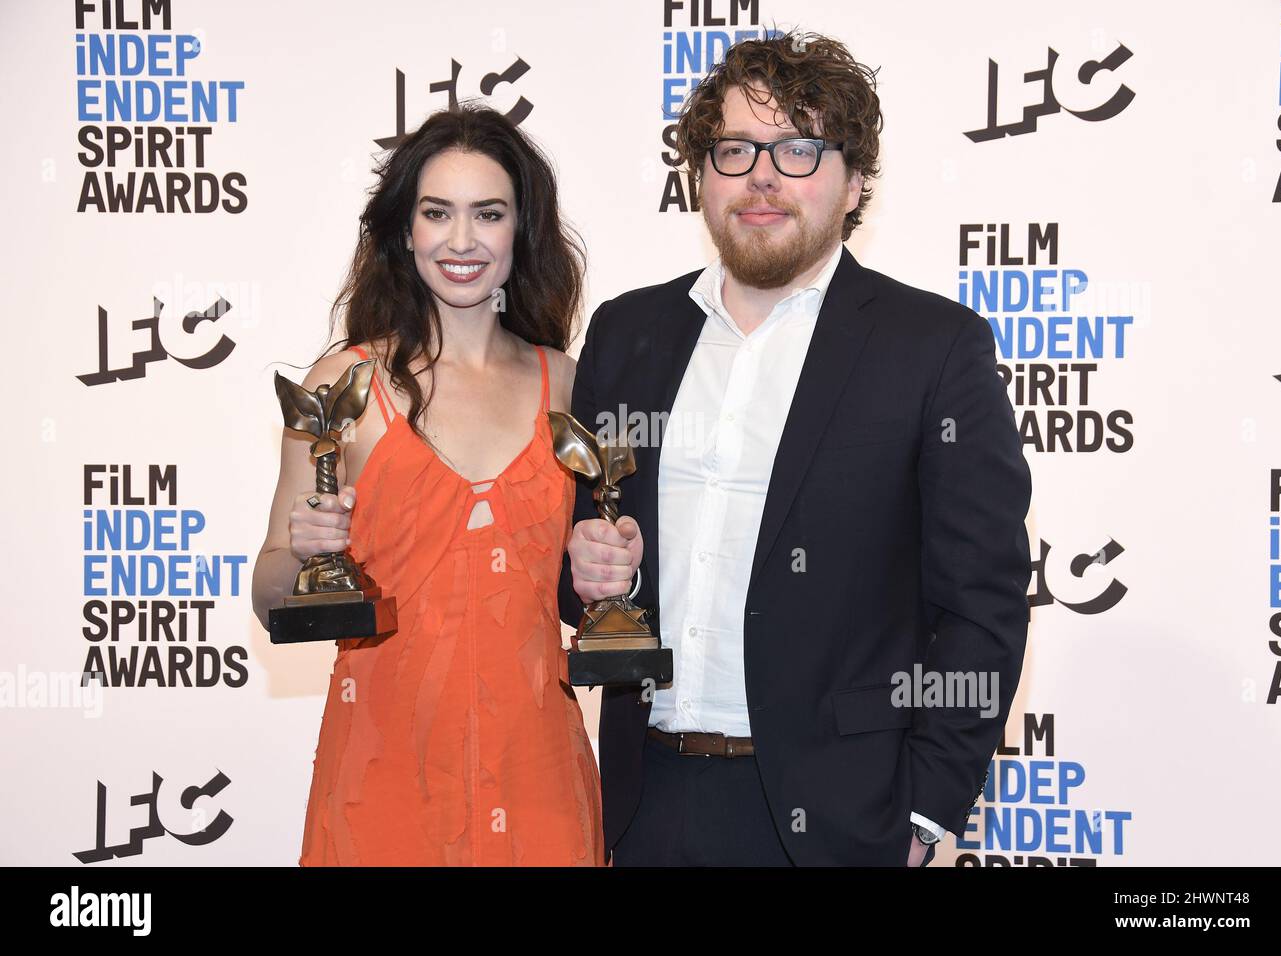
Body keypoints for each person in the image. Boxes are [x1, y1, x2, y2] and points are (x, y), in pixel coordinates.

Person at [559, 32, 1032, 866]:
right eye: (735, 149)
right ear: (701, 177)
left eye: (800, 149)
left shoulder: (932, 347)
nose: (762, 177)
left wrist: (925, 816)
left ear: (855, 185)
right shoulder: (627, 334)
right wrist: (597, 570)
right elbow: (580, 576)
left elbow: (982, 606)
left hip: (841, 822)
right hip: (642, 806)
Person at [251, 105, 604, 866]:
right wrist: (302, 554)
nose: (462, 240)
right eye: (436, 213)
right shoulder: (345, 383)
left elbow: (601, 580)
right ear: (404, 230)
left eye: (489, 214)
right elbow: (270, 586)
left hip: (538, 779)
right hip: (381, 783)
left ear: (522, 231)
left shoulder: (569, 387)